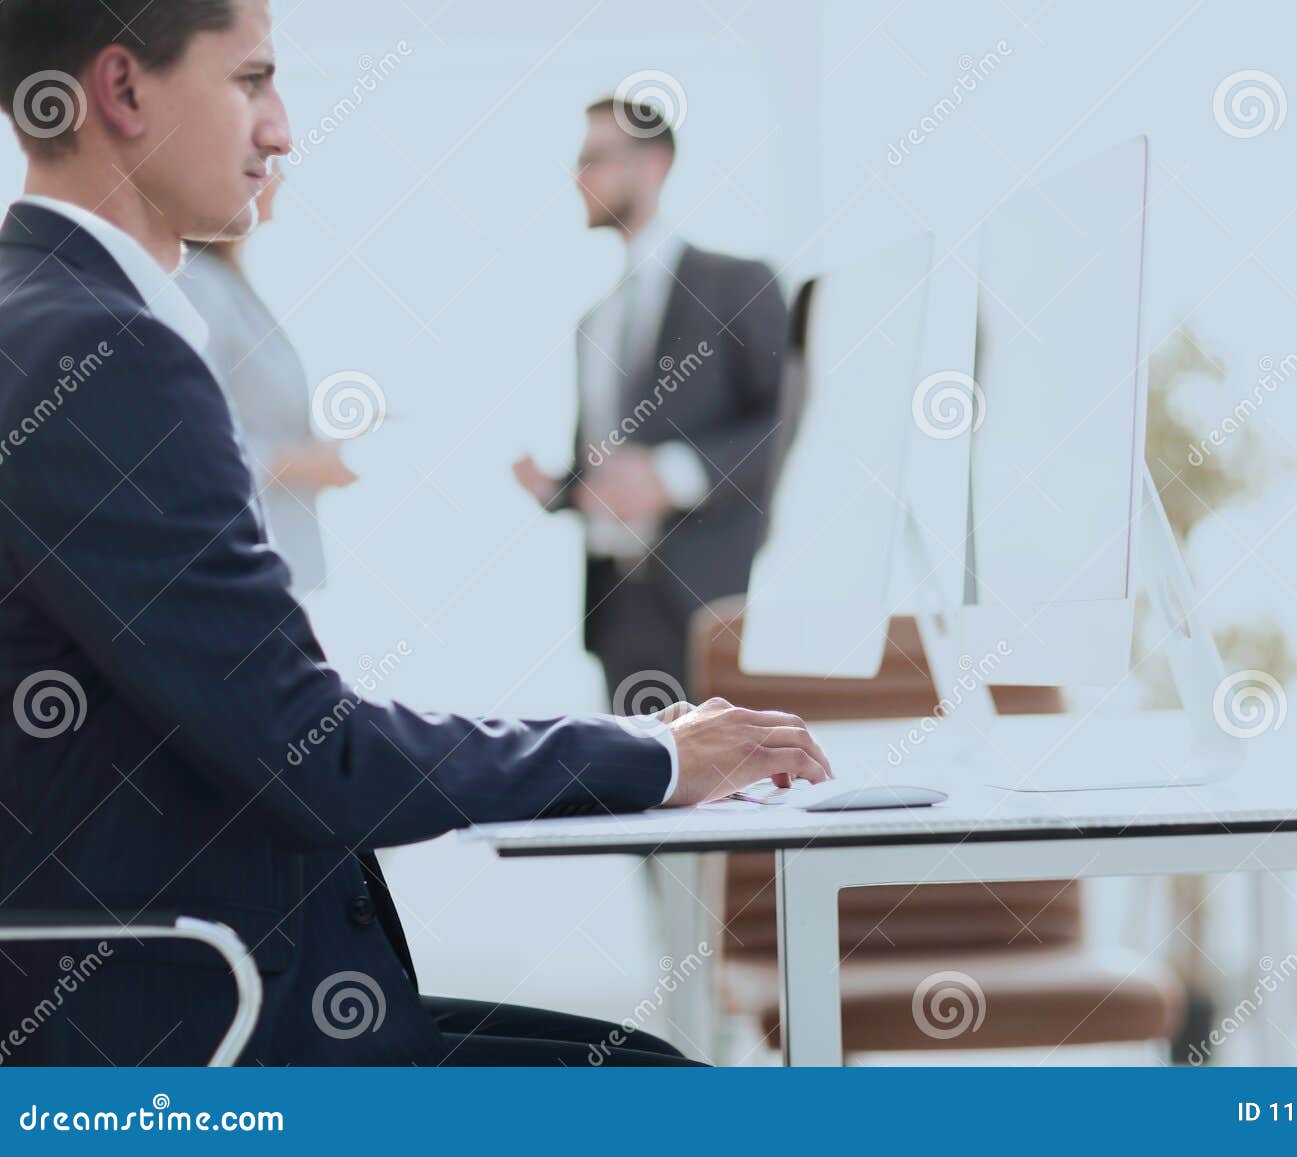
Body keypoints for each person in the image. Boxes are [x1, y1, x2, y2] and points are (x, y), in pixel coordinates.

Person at [0, 0, 830, 1067]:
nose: (282, 128)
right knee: (675, 1092)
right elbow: (317, 753)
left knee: (649, 1065)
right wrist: (650, 753)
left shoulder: (48, 316)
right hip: (196, 1024)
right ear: (119, 91)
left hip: (174, 979)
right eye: (250, 79)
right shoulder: (106, 353)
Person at [512, 96, 787, 702]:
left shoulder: (737, 283)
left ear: (653, 164)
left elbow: (783, 422)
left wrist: (674, 474)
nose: (580, 178)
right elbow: (606, 467)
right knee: (638, 786)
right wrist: (559, 488)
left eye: (595, 159)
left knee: (729, 788)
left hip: (708, 602)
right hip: (617, 606)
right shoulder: (593, 321)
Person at [182, 167, 355, 597]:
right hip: (240, 580)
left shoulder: (229, 284)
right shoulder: (198, 287)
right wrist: (300, 463)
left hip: (280, 575)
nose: (277, 173)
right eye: (257, 160)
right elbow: (191, 452)